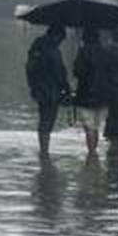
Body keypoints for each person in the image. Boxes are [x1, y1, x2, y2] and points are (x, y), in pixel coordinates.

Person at [25, 24, 71, 156]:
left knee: (44, 120)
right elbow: (59, 73)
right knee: (48, 121)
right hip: (51, 91)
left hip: (40, 90)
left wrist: (34, 88)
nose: (61, 42)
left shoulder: (37, 47)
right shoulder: (52, 51)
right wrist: (66, 88)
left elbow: (29, 69)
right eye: (61, 39)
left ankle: (43, 150)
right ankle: (44, 152)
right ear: (57, 36)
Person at [72, 27, 110, 155]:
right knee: (96, 126)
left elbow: (77, 72)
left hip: (86, 95)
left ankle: (91, 153)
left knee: (89, 126)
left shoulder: (83, 52)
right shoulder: (105, 52)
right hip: (103, 96)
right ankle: (94, 153)